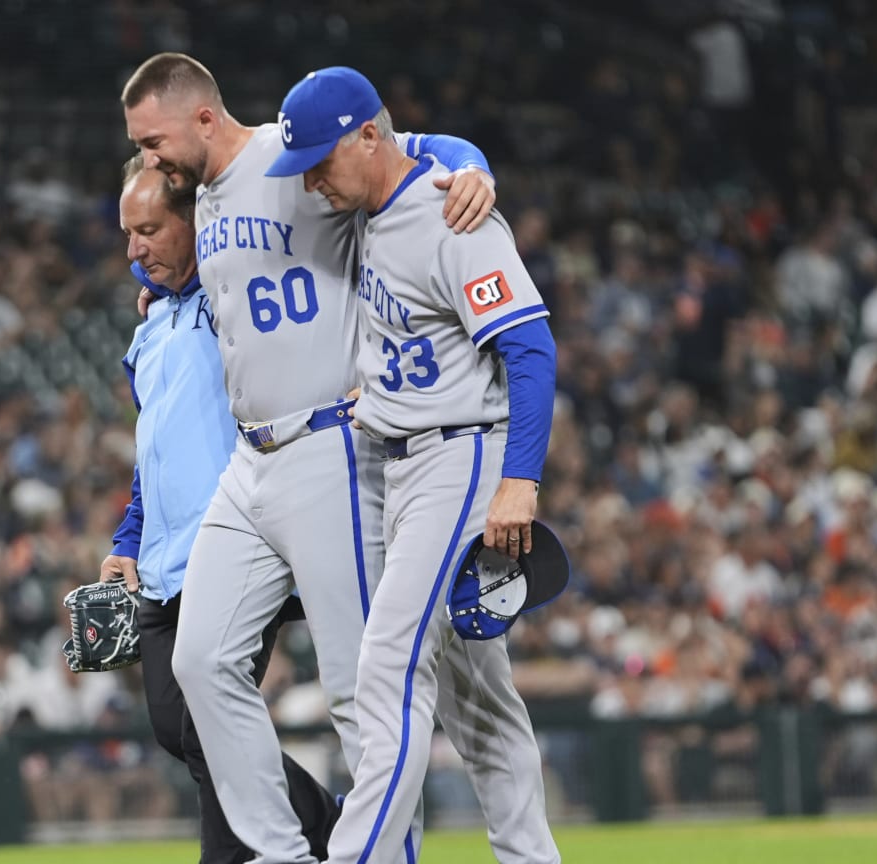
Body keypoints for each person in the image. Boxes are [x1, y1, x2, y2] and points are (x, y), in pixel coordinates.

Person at [122, 52, 497, 864]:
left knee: (358, 696)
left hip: (331, 449)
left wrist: (475, 169)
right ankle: (282, 854)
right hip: (249, 463)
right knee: (201, 660)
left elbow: (422, 147)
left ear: (203, 119)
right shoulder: (205, 196)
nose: (148, 158)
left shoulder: (287, 160)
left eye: (153, 141)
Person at [265, 67, 559, 863]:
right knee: (480, 706)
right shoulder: (371, 198)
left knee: (387, 663)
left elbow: (531, 350)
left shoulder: (452, 217)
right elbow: (419, 142)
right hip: (396, 463)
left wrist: (519, 481)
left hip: (460, 457)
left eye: (323, 161)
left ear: (367, 137)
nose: (313, 183)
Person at [101, 156, 336, 862]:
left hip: (239, 541)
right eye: (127, 232)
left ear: (196, 224)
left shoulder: (237, 297)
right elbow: (154, 458)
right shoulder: (148, 329)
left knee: (208, 723)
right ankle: (326, 821)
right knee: (177, 729)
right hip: (164, 561)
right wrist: (127, 539)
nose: (135, 248)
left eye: (149, 229)